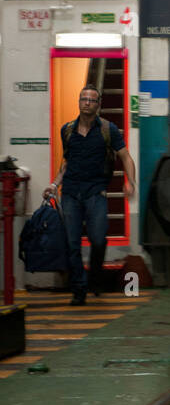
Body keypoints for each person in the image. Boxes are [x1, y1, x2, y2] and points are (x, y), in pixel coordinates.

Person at [43, 85, 136, 305]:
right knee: (72, 243)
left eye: (92, 100)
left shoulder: (107, 129)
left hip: (96, 192)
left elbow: (126, 157)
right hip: (71, 194)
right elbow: (67, 163)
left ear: (98, 104)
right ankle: (79, 290)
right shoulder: (67, 130)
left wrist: (130, 182)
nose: (87, 102)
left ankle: (95, 277)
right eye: (83, 99)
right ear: (78, 102)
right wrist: (55, 184)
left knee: (98, 238)